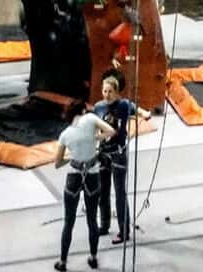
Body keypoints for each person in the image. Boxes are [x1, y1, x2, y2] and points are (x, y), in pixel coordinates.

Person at [53, 107, 115, 271]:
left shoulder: (65, 134)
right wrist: (96, 137)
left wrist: (71, 158)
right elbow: (111, 131)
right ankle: (93, 257)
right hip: (92, 174)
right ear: (81, 111)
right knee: (92, 219)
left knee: (69, 221)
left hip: (74, 174)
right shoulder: (91, 119)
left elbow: (57, 163)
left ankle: (63, 261)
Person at [91, 70, 139, 245]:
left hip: (118, 154)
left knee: (119, 192)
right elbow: (95, 126)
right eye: (104, 91)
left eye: (110, 91)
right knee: (103, 190)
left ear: (117, 92)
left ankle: (124, 230)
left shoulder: (124, 105)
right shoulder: (98, 107)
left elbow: (138, 109)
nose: (107, 95)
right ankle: (104, 224)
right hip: (104, 154)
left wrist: (144, 114)